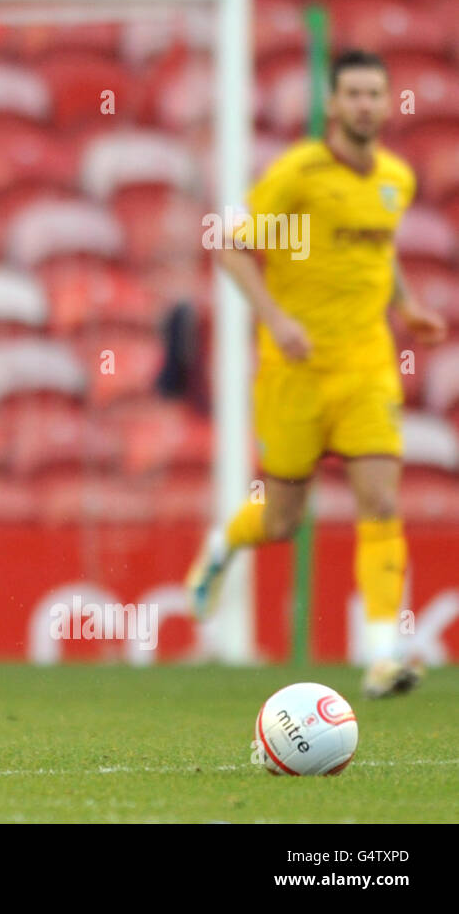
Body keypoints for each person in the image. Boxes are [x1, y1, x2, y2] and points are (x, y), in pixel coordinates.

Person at [185, 49, 446, 698]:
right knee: (281, 521)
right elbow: (226, 242)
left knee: (381, 499)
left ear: (388, 104)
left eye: (374, 94)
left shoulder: (396, 178)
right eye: (352, 93)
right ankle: (223, 542)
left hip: (367, 367)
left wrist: (407, 305)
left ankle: (383, 656)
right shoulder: (297, 174)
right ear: (332, 104)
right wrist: (274, 317)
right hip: (295, 371)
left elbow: (378, 250)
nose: (363, 104)